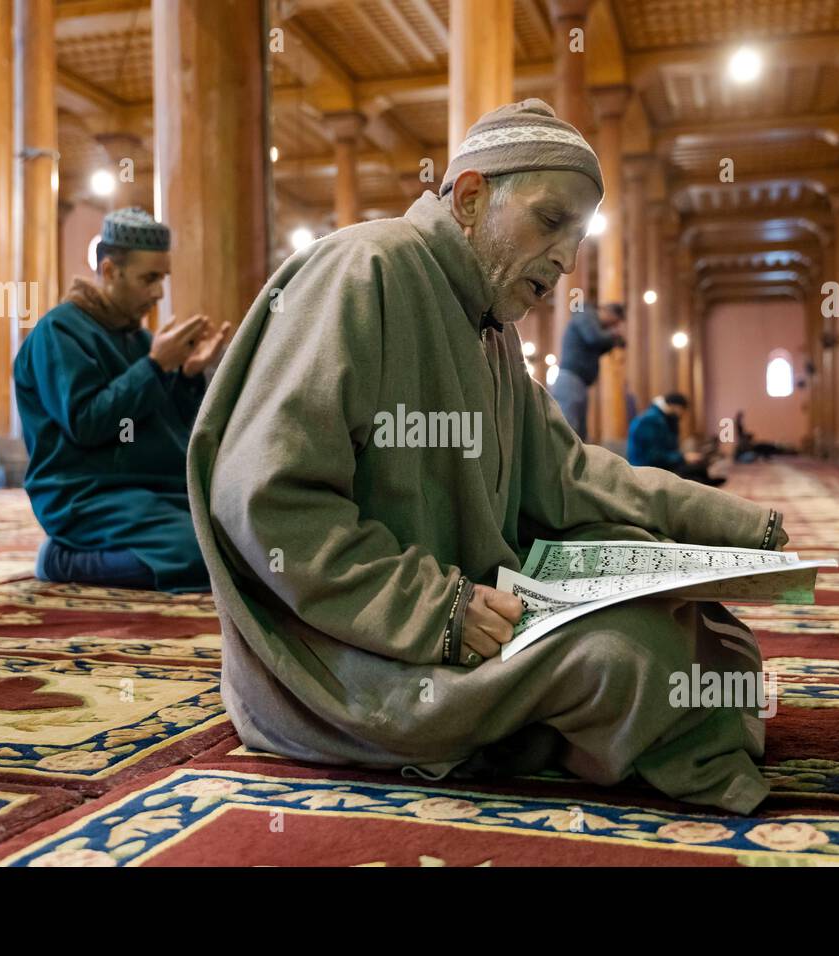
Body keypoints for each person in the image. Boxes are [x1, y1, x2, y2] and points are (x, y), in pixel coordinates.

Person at [188, 99, 788, 814]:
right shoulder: (367, 269)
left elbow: (570, 476)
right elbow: (266, 501)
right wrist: (438, 607)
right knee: (637, 663)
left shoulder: (490, 324)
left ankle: (548, 728)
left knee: (705, 628)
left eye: (578, 236)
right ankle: (530, 729)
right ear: (471, 197)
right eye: (550, 220)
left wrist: (733, 527)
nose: (566, 259)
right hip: (344, 652)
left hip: (470, 605)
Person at [14, 207, 230, 591]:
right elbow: (86, 423)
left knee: (239, 541)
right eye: (149, 278)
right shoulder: (59, 333)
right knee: (199, 555)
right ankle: (63, 560)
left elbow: (170, 428)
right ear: (110, 271)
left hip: (151, 490)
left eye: (162, 278)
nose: (159, 292)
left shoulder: (141, 341)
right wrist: (153, 367)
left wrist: (188, 376)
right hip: (87, 495)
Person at [549, 302, 625, 439]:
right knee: (569, 428)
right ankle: (563, 460)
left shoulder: (591, 321)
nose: (611, 327)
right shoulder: (585, 316)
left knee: (579, 432)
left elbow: (599, 346)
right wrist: (613, 335)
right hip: (571, 379)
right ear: (608, 313)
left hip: (578, 381)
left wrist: (614, 340)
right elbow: (594, 339)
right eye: (613, 323)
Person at [627, 392, 724, 486]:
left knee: (699, 466)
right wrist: (683, 457)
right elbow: (652, 456)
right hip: (647, 469)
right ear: (676, 407)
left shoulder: (663, 418)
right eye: (683, 410)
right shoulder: (650, 420)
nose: (682, 415)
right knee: (696, 471)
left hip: (658, 464)